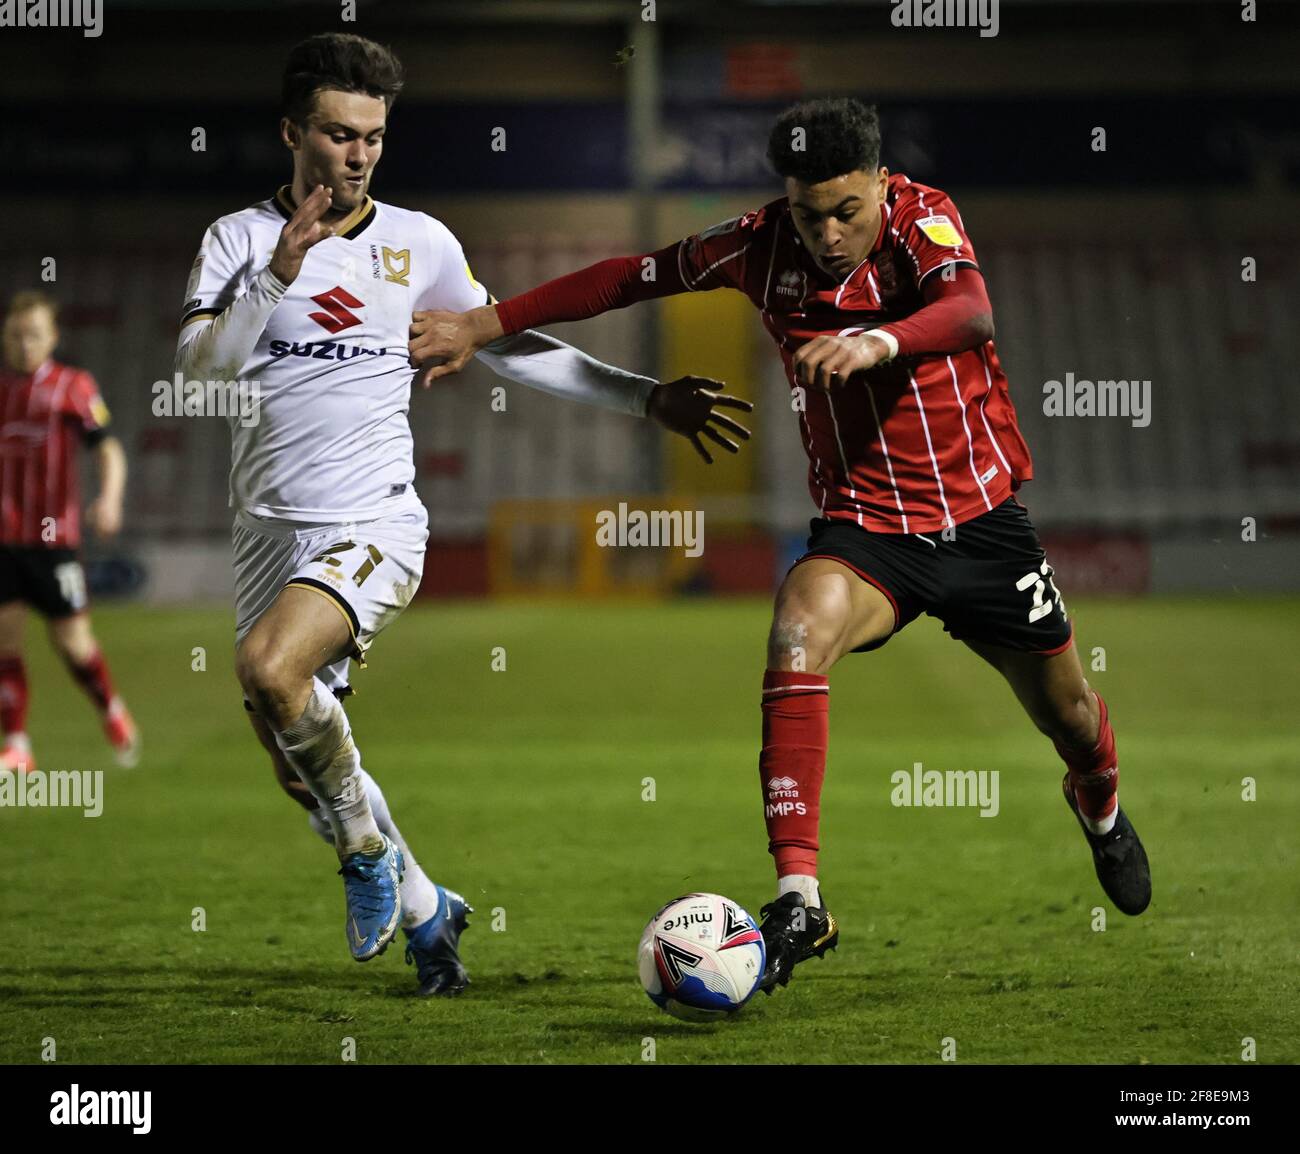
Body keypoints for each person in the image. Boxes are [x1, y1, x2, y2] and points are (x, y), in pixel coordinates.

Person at [408, 96, 1151, 995]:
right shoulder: (757, 246)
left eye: (848, 211)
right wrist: (483, 325)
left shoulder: (925, 218)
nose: (830, 234)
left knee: (1071, 719)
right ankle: (800, 896)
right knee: (796, 629)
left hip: (983, 524)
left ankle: (1099, 804)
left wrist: (876, 342)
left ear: (880, 183)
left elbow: (969, 312)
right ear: (785, 201)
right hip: (868, 530)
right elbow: (627, 278)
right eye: (810, 214)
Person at [175, 32, 751, 995]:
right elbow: (198, 372)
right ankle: (427, 907)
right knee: (301, 763)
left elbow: (509, 344)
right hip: (265, 537)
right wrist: (276, 272)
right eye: (336, 133)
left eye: (372, 136)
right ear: (291, 133)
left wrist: (645, 396)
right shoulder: (237, 242)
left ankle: (365, 865)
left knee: (270, 670)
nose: (356, 154)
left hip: (373, 524)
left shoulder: (418, 244)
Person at [0, 290, 139, 774]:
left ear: (53, 337)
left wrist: (110, 497)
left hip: (54, 542)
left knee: (73, 643)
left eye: (33, 334)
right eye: (15, 335)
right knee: (5, 641)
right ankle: (17, 744)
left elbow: (107, 448)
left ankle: (112, 710)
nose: (23, 344)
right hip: (4, 542)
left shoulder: (72, 386)